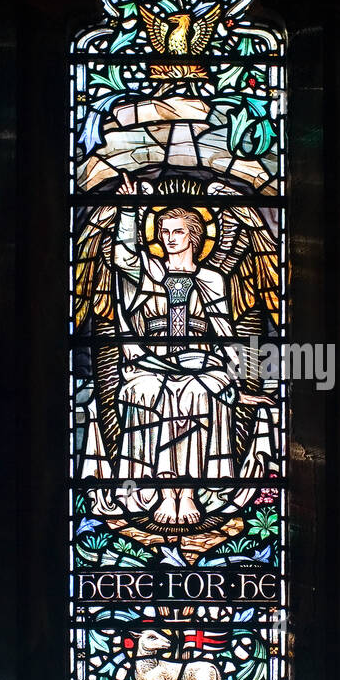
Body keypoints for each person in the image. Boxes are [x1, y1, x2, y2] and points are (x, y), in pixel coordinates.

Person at [108, 174, 270, 526]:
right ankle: (166, 493)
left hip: (203, 363)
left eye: (178, 231)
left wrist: (239, 385)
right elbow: (123, 257)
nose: (169, 238)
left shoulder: (212, 279)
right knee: (145, 389)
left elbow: (225, 332)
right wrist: (127, 211)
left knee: (199, 392)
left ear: (194, 236)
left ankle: (190, 491)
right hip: (151, 363)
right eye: (164, 231)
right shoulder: (148, 271)